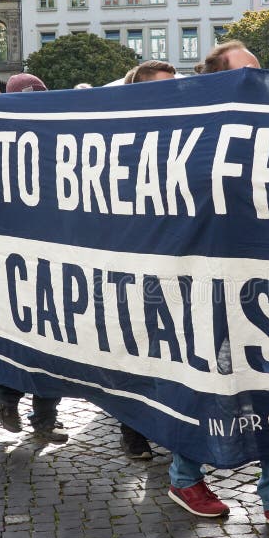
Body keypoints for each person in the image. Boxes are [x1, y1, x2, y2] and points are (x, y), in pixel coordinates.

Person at [167, 42, 269, 531]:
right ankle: (184, 475)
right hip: (207, 285)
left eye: (263, 69)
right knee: (206, 384)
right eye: (249, 73)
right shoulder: (191, 137)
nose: (262, 79)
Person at [0, 72, 68, 443]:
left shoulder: (59, 138)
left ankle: (45, 416)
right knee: (12, 336)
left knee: (53, 341)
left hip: (51, 260)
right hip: (7, 260)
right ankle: (8, 399)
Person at [116, 59, 178, 459]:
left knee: (175, 349)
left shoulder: (185, 129)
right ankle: (133, 428)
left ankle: (174, 426)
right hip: (134, 260)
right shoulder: (119, 134)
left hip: (179, 260)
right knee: (137, 348)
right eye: (165, 88)